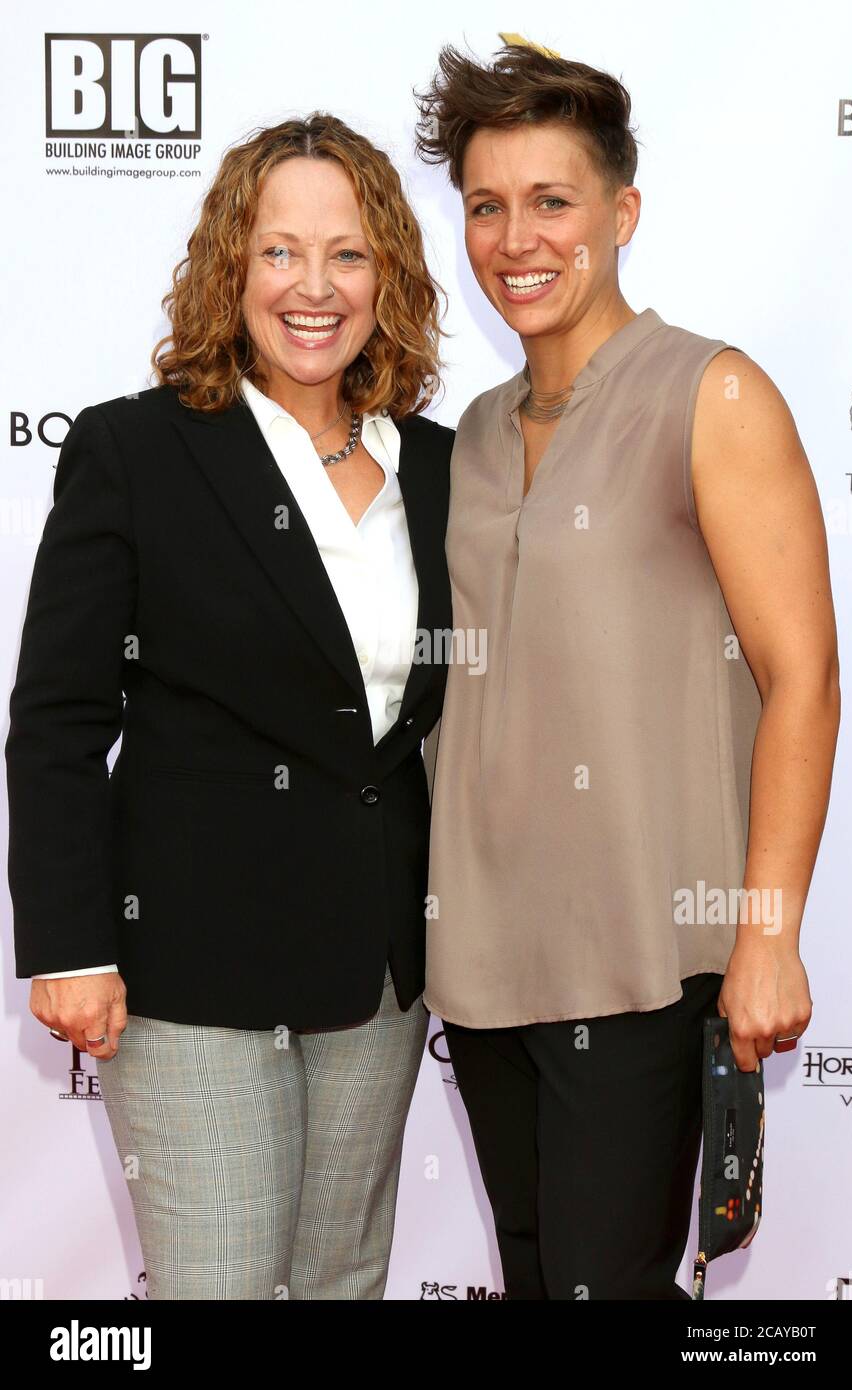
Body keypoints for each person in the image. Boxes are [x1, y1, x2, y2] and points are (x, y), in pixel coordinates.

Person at [414, 43, 840, 1300]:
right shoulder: (474, 433)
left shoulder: (707, 392)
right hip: (484, 971)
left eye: (550, 201)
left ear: (620, 213)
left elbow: (802, 675)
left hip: (648, 967)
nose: (514, 238)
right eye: (486, 206)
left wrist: (768, 935)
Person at [6, 112, 454, 1300]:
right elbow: (56, 715)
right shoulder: (137, 452)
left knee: (342, 1281)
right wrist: (68, 942)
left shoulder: (441, 465)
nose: (313, 287)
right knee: (217, 1288)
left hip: (376, 970)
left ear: (387, 277)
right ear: (230, 267)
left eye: (347, 254)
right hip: (188, 968)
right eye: (279, 251)